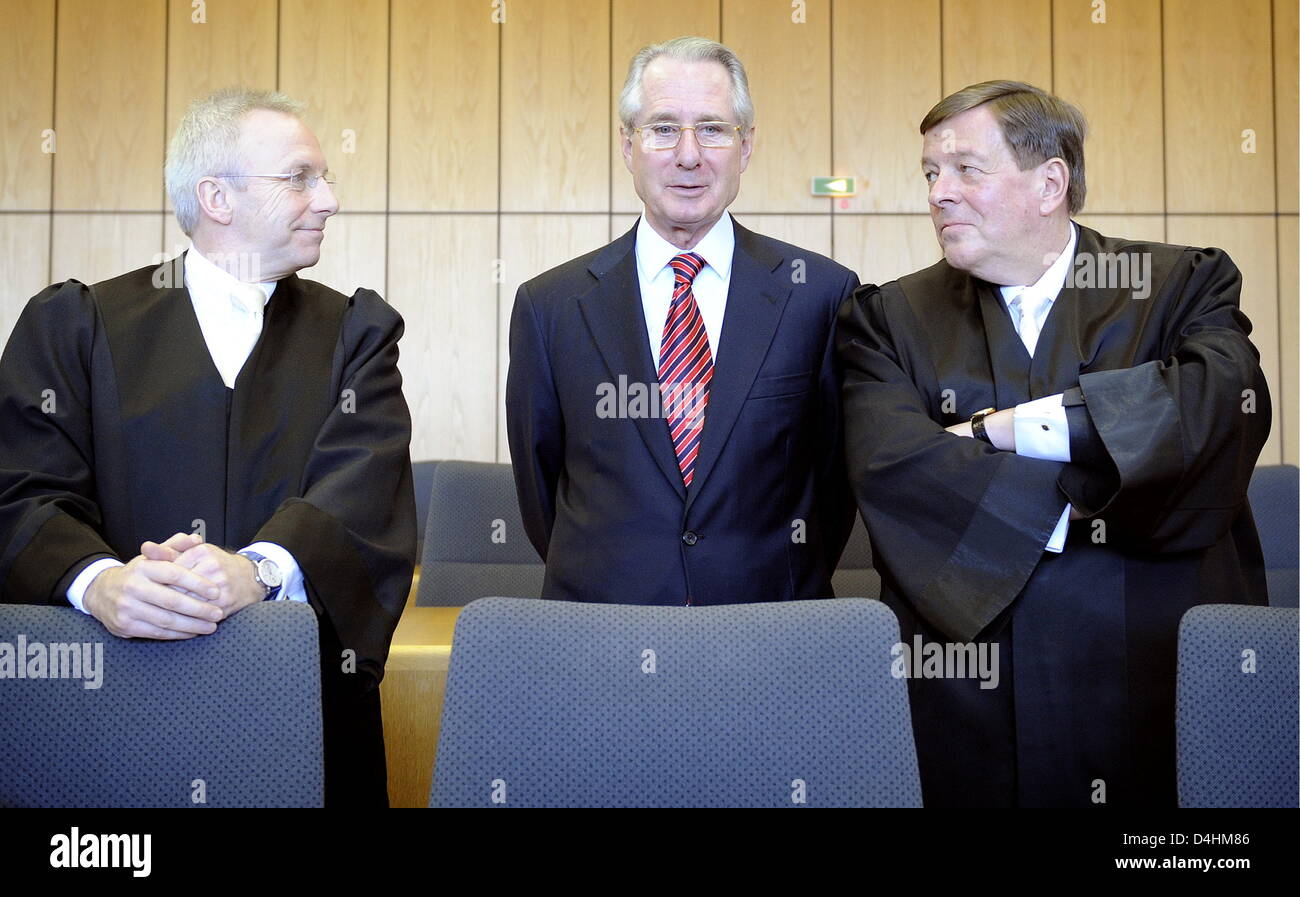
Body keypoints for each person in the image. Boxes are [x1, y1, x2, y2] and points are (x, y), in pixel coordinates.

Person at [836, 80, 1271, 807]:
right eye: (931, 173)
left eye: (966, 170)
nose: (939, 193)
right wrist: (1109, 476)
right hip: (970, 689)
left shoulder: (1178, 286)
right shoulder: (889, 319)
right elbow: (895, 467)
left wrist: (997, 430)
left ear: (1050, 183)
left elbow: (1214, 410)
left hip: (1156, 671)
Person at [0, 87, 416, 807]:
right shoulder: (75, 326)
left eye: (326, 178)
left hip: (302, 714)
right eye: (300, 178)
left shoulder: (355, 334)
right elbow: (20, 491)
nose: (328, 200)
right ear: (217, 197)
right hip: (113, 705)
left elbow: (363, 490)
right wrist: (99, 582)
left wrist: (254, 573)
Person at [506, 37, 857, 606]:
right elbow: (540, 487)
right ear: (627, 145)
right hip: (602, 630)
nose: (688, 155)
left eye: (713, 129)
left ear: (746, 146)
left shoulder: (820, 294)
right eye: (663, 128)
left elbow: (837, 483)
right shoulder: (550, 306)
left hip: (768, 627)